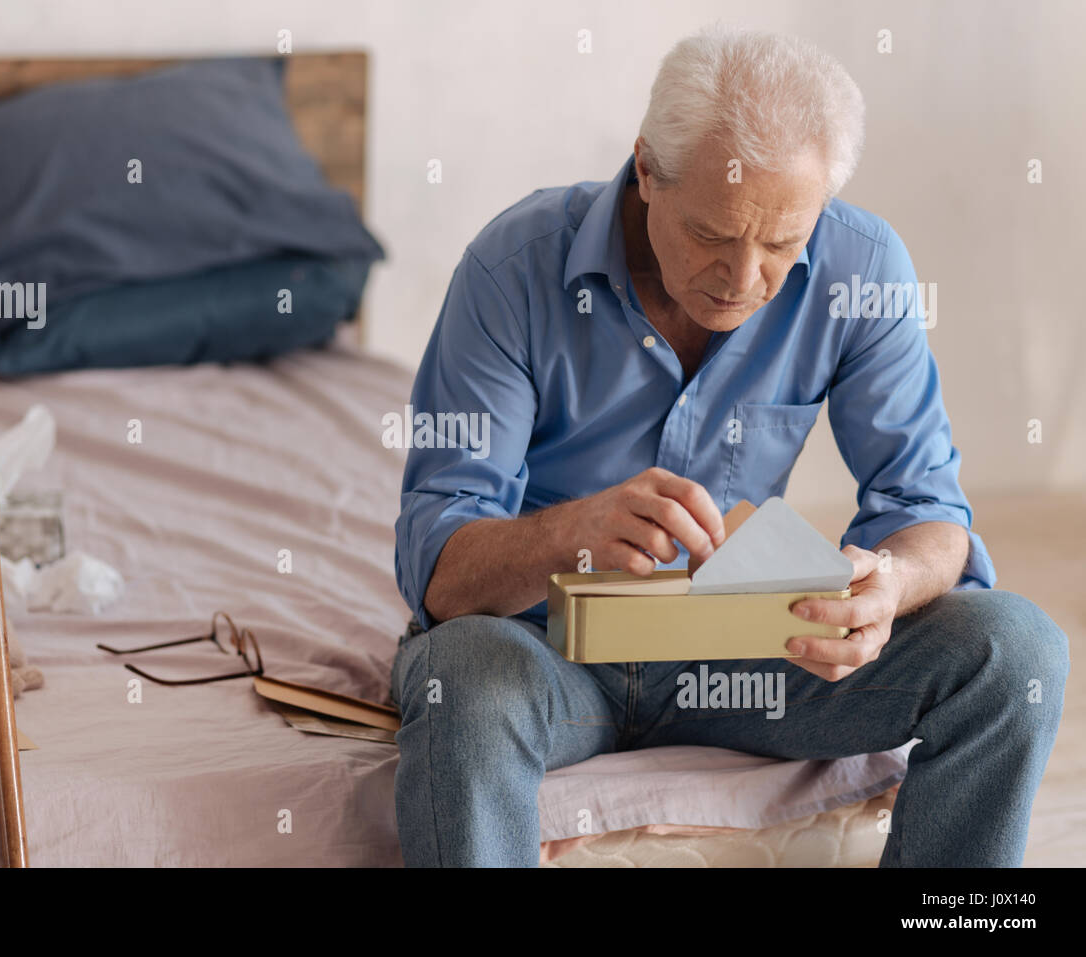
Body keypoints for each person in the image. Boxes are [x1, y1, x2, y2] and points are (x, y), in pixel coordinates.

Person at [390, 24, 1068, 867]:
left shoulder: (863, 267)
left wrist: (888, 585)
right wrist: (572, 531)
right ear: (646, 170)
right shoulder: (511, 269)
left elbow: (930, 513)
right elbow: (438, 571)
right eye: (711, 234)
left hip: (755, 657)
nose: (743, 278)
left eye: (783, 243)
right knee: (462, 672)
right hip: (548, 652)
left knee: (1017, 649)